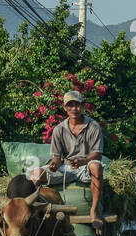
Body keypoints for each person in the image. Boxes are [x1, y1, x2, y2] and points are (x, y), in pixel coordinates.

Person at [30, 90, 104, 222]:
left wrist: (83, 161)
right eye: (70, 105)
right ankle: (35, 210)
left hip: (86, 166)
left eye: (77, 105)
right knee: (36, 174)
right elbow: (57, 157)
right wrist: (54, 164)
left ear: (82, 106)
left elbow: (97, 154)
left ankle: (94, 210)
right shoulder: (59, 129)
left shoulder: (93, 126)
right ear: (65, 108)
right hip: (66, 167)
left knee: (96, 167)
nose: (74, 108)